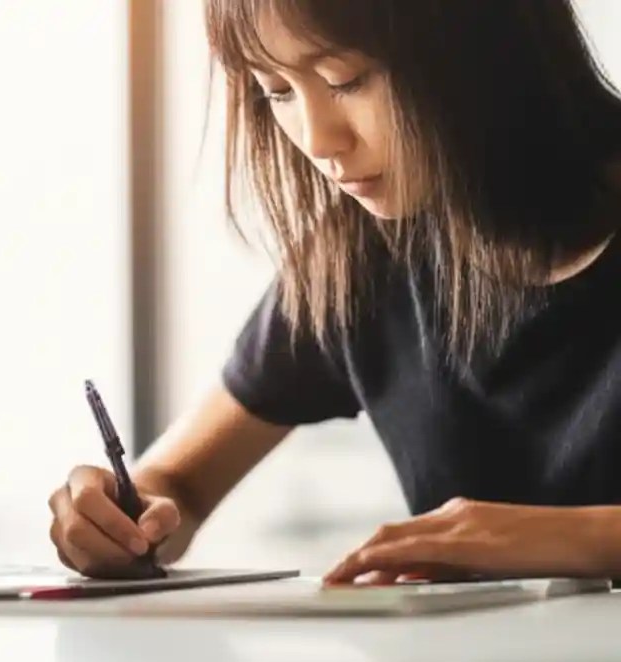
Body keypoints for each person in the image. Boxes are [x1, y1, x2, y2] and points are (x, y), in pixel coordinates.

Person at [48, 0, 621, 585]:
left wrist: (577, 538)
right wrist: (120, 519)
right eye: (277, 91)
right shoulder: (361, 258)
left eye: (345, 80)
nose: (318, 140)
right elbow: (180, 485)